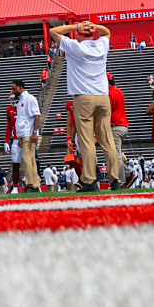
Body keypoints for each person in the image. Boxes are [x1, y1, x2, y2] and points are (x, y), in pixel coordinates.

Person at [49, 18, 118, 189]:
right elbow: (107, 32)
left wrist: (76, 26)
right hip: (103, 96)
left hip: (84, 97)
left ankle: (90, 179)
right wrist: (94, 26)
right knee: (107, 140)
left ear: (79, 34)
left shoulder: (75, 47)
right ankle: (115, 179)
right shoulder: (101, 45)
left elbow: (53, 32)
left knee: (87, 141)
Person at [7, 79, 43, 192]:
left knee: (27, 159)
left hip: (28, 133)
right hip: (23, 134)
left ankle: (30, 183)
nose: (13, 91)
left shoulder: (30, 98)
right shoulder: (21, 100)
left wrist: (35, 132)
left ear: (21, 88)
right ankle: (35, 183)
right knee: (31, 160)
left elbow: (37, 116)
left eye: (14, 88)